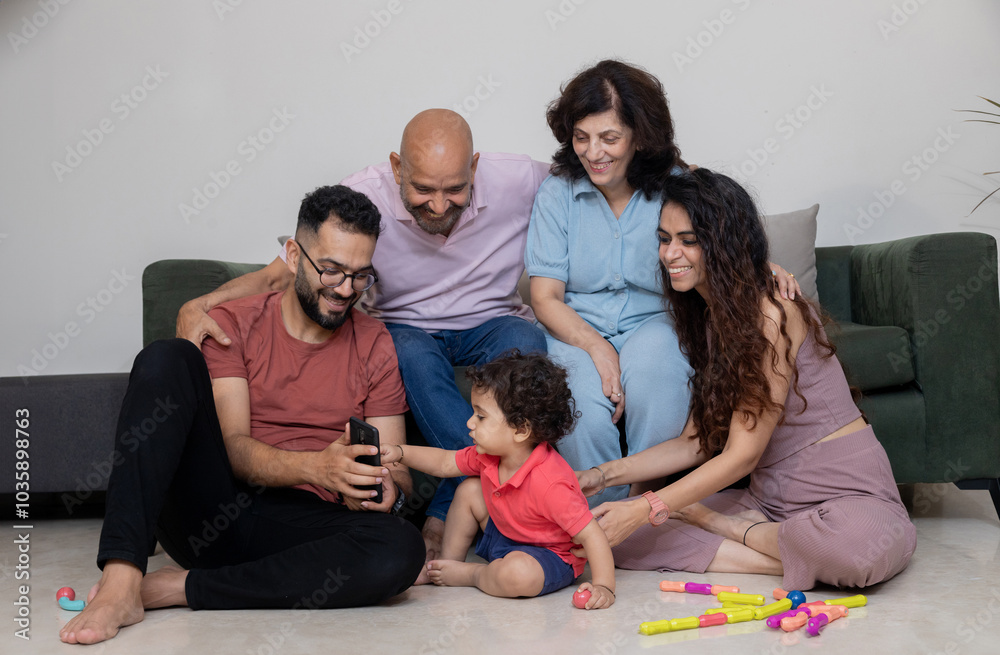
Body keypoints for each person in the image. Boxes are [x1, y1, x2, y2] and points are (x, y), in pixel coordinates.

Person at [175, 110, 549, 566]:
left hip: (491, 321)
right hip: (407, 328)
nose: (438, 206)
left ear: (474, 169)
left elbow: (600, 172)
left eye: (455, 189)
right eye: (423, 190)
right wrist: (202, 303)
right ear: (396, 169)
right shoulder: (360, 197)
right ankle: (506, 501)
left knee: (527, 342)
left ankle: (459, 505)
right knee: (408, 351)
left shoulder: (519, 177)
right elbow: (280, 276)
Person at [60, 186, 425, 645]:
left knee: (400, 548)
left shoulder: (374, 342)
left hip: (303, 528)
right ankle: (120, 580)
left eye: (360, 275)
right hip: (216, 505)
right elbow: (233, 449)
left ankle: (182, 587)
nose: (345, 290)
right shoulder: (234, 324)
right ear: (293, 256)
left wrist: (387, 489)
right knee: (165, 358)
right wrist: (317, 466)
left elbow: (399, 467)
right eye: (330, 270)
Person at [577, 168, 916, 590]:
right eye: (664, 239)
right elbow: (694, 443)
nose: (670, 254)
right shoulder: (708, 318)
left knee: (859, 552)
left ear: (722, 243)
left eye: (688, 241)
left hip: (844, 496)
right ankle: (794, 556)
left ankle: (743, 534)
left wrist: (657, 507)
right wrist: (603, 475)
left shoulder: (772, 312)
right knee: (619, 543)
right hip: (768, 503)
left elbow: (741, 456)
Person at [526, 60, 800, 506]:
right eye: (582, 137)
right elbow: (545, 297)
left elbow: (719, 235)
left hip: (655, 321)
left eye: (610, 138)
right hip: (574, 328)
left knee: (660, 372)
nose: (594, 152)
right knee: (578, 401)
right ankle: (592, 516)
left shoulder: (675, 183)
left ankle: (638, 506)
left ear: (639, 135)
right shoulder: (557, 193)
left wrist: (762, 265)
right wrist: (597, 348)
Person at [378, 351, 616, 608]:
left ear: (521, 429)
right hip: (506, 534)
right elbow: (445, 463)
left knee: (517, 576)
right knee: (470, 489)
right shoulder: (489, 455)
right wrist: (401, 452)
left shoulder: (551, 483)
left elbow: (593, 535)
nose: (469, 423)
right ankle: (445, 566)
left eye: (480, 416)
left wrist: (604, 585)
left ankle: (471, 574)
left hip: (546, 557)